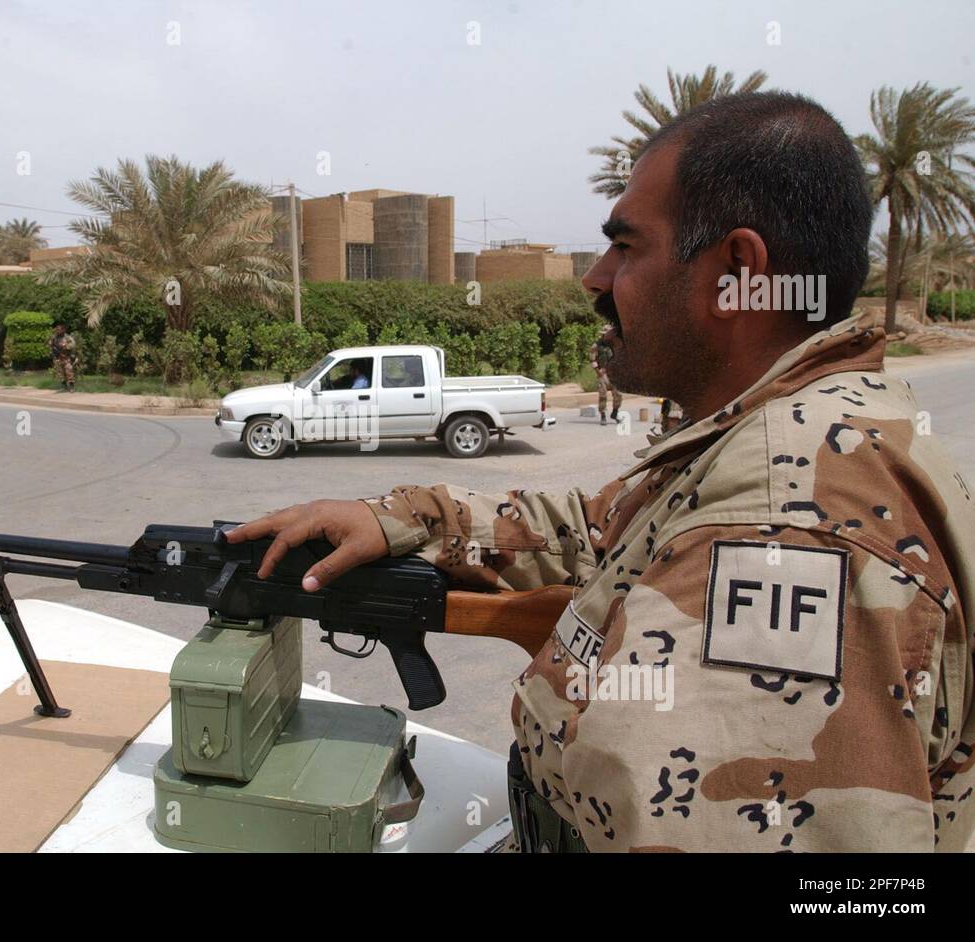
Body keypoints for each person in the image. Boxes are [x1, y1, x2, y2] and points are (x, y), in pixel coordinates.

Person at [226, 92, 975, 852]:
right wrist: (405, 519)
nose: (593, 278)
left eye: (626, 247)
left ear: (738, 272)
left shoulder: (784, 524)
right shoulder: (781, 436)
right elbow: (595, 529)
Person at [589, 336, 622, 426]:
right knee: (603, 395)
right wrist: (597, 370)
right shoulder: (596, 346)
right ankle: (603, 415)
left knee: (618, 394)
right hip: (602, 373)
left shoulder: (615, 343)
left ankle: (615, 413)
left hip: (614, 373)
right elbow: (592, 359)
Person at [49, 323, 77, 392]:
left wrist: (65, 346)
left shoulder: (67, 337)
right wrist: (52, 345)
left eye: (59, 330)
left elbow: (73, 345)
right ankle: (64, 386)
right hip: (58, 357)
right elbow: (50, 344)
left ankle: (71, 387)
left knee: (69, 371)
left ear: (63, 330)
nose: (58, 331)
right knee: (60, 373)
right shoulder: (54, 337)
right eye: (57, 330)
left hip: (66, 357)